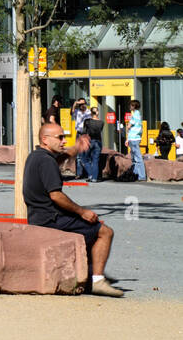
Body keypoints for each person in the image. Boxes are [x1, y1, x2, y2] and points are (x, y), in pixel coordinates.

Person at [25, 122, 122, 296]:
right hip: (51, 219)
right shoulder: (46, 161)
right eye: (60, 137)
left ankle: (90, 273)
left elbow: (57, 161)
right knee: (104, 232)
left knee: (88, 230)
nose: (63, 141)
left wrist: (76, 149)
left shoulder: (36, 156)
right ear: (45, 139)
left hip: (38, 217)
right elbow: (56, 195)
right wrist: (82, 211)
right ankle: (98, 281)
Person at [78, 104, 104, 182]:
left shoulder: (87, 121)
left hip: (89, 141)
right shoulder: (101, 122)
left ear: (91, 113)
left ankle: (90, 174)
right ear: (97, 113)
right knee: (95, 160)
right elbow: (100, 131)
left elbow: (84, 131)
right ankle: (94, 178)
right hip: (98, 141)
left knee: (84, 159)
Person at [127, 99, 145, 180]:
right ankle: (136, 175)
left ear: (134, 106)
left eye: (131, 105)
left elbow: (129, 126)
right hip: (136, 138)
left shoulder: (134, 115)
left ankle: (141, 176)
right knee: (135, 158)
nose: (130, 106)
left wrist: (127, 127)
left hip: (133, 138)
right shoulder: (138, 115)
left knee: (137, 158)